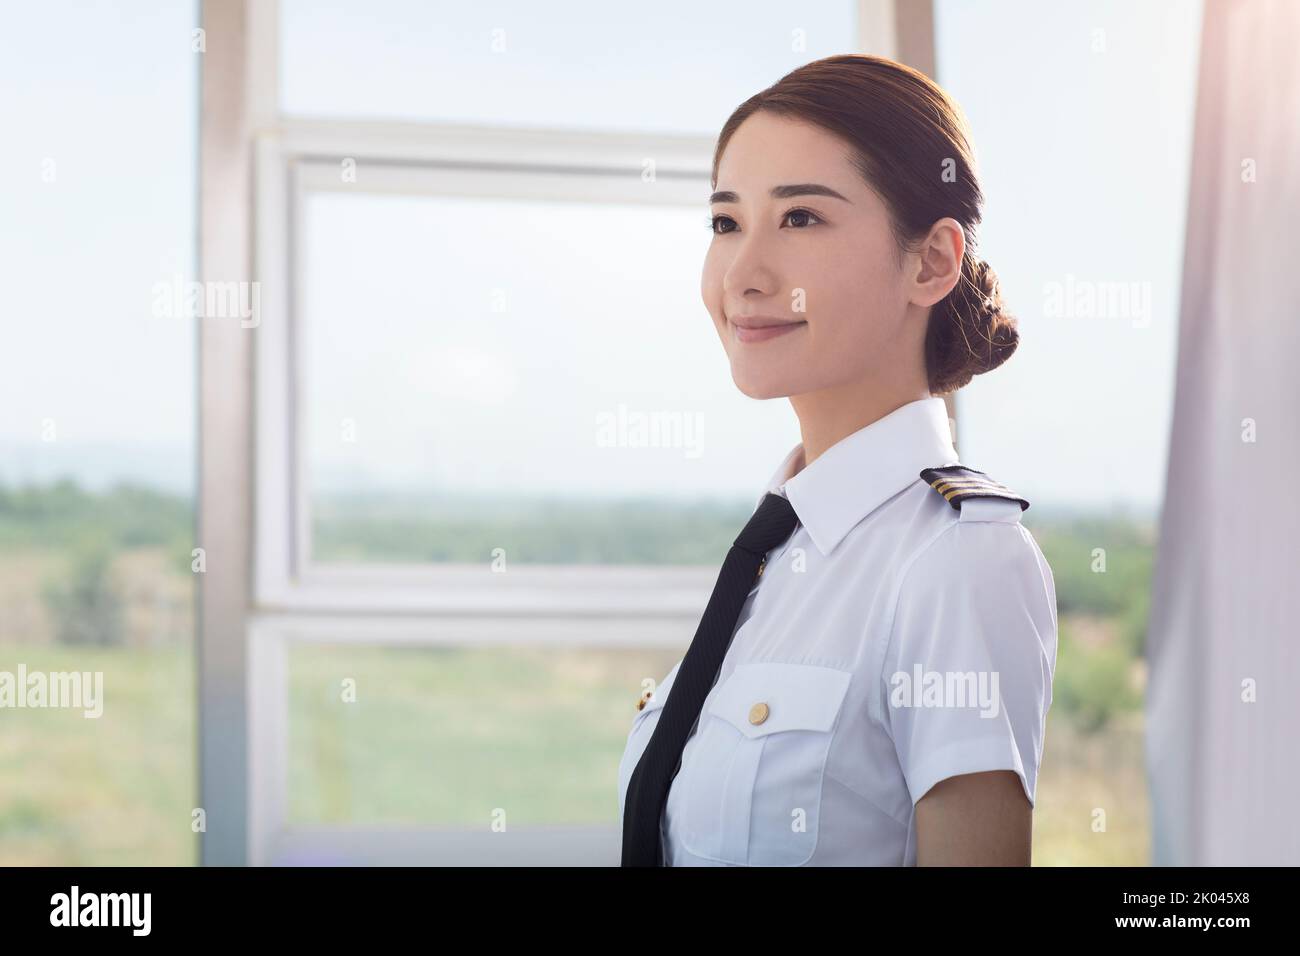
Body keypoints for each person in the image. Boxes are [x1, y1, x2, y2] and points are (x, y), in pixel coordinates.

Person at [618, 54, 1058, 866]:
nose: (744, 275)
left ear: (931, 262)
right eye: (725, 223)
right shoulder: (778, 551)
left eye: (800, 218)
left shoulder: (959, 560)